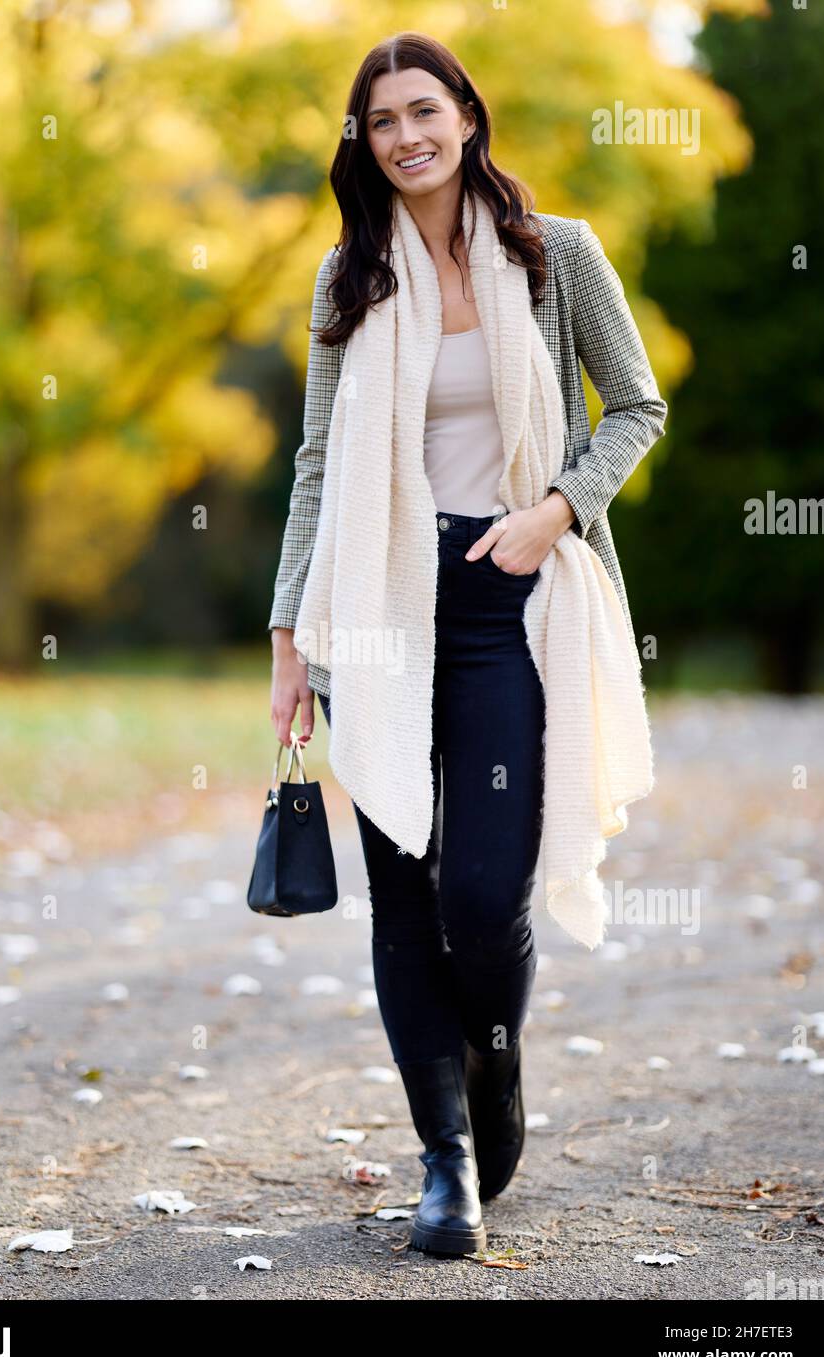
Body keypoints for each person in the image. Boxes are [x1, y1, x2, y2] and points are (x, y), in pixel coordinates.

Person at [267, 31, 667, 1257]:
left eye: (423, 111)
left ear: (468, 117)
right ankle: (444, 1162)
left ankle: (495, 1077)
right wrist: (290, 635)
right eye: (381, 120)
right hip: (377, 607)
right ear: (364, 141)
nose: (406, 137)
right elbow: (320, 465)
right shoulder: (349, 282)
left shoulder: (561, 257)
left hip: (507, 598)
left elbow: (638, 405)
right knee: (402, 893)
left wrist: (555, 513)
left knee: (486, 895)